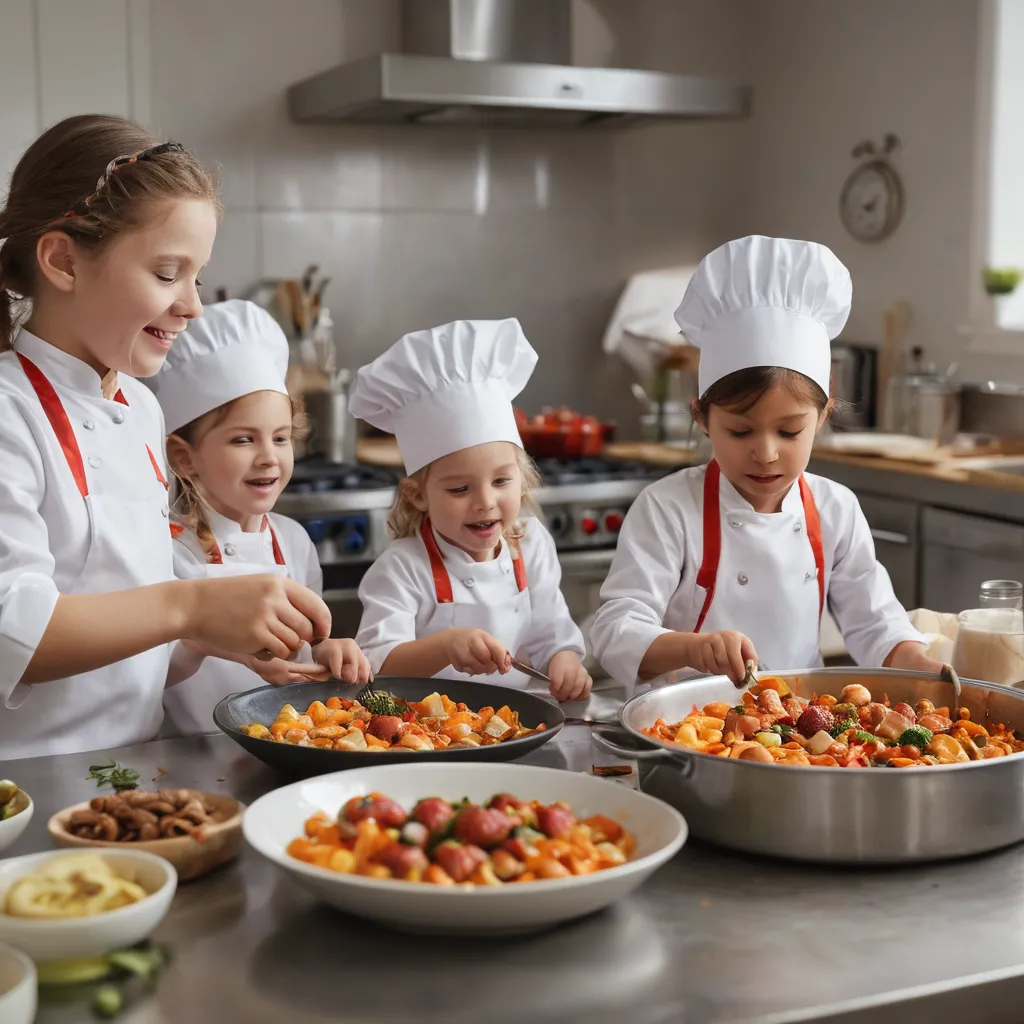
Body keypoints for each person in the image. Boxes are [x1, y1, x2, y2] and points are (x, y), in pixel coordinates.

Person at [0, 115, 329, 757]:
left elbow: (123, 649)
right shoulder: (8, 411)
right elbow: (13, 632)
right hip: (25, 789)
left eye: (196, 277)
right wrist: (192, 608)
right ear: (63, 259)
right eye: (166, 273)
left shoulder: (142, 409)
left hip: (133, 773)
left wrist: (200, 642)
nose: (193, 305)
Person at [591, 235, 941, 687]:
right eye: (740, 430)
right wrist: (693, 648)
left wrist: (919, 663)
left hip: (800, 732)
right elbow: (616, 629)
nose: (766, 452)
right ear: (702, 416)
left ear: (823, 415)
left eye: (789, 431)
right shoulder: (667, 508)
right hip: (687, 725)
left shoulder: (836, 508)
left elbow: (874, 621)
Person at [146, 299, 371, 736]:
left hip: (285, 742)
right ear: (183, 457)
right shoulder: (166, 549)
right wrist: (206, 643)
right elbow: (154, 674)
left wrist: (329, 649)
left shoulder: (293, 541)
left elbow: (308, 645)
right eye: (244, 439)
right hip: (191, 753)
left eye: (281, 438)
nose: (269, 458)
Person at [350, 318, 591, 702]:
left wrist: (564, 660)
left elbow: (551, 628)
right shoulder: (402, 567)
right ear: (417, 495)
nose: (484, 501)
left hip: (514, 719)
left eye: (501, 481)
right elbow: (376, 664)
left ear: (523, 478)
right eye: (460, 488)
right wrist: (446, 646)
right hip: (424, 731)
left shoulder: (531, 545)